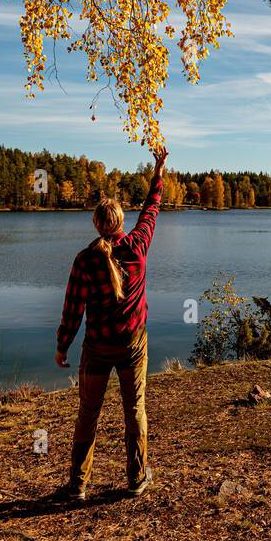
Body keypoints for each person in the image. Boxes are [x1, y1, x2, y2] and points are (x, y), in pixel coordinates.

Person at [53, 148, 167, 502]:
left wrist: (62, 346)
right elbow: (151, 209)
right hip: (132, 344)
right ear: (120, 222)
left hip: (97, 347)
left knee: (88, 411)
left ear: (96, 224)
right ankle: (136, 478)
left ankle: (78, 484)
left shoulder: (85, 259)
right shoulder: (136, 246)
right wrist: (158, 171)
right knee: (135, 408)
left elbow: (73, 308)